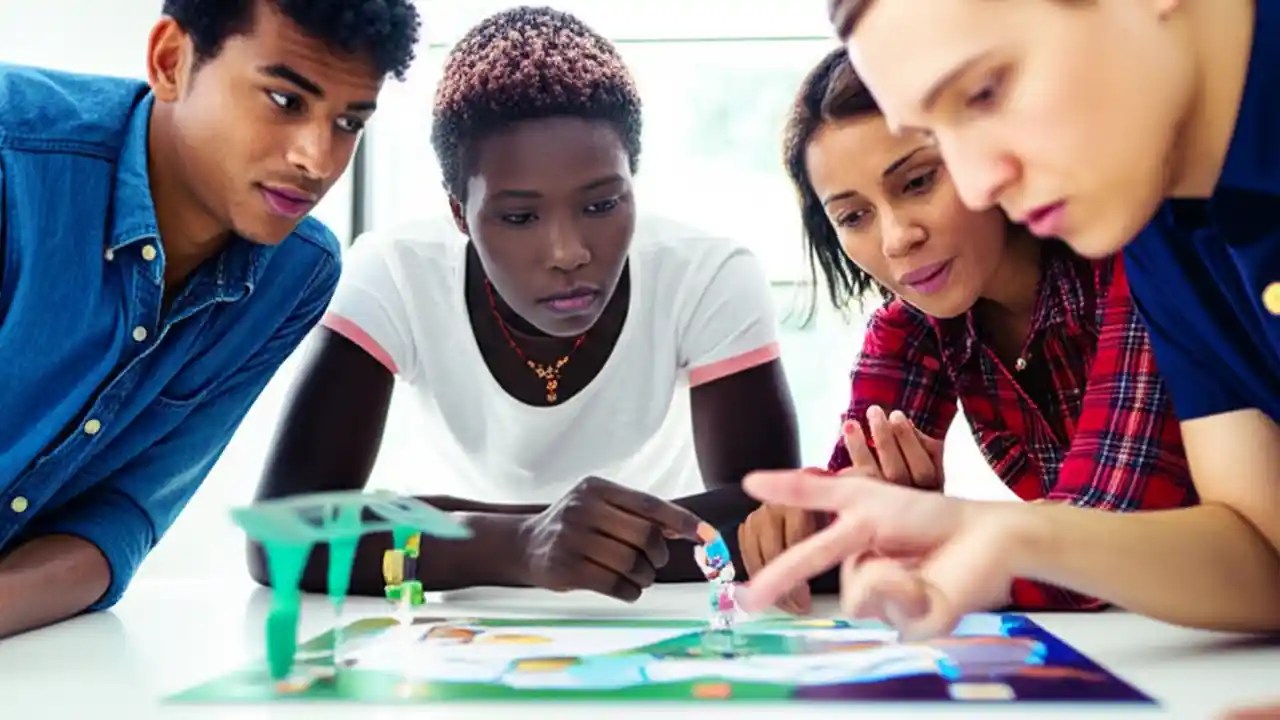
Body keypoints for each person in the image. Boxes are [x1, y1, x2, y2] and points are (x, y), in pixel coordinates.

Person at [741, 0, 1280, 647]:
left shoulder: (1128, 249)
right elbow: (1263, 553)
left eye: (985, 92)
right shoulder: (1164, 233)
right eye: (852, 216)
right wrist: (998, 534)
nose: (977, 183)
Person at [252, 6, 800, 603]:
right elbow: (283, 535)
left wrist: (504, 534)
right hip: (460, 627)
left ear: (633, 182)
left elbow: (772, 518)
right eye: (519, 217)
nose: (568, 252)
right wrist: (519, 543)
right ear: (460, 212)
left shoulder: (708, 275)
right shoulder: (395, 273)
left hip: (664, 615)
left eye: (601, 205)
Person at [0, 0, 420, 637]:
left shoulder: (296, 274)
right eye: (285, 101)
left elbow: (121, 516)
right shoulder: (14, 158)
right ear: (171, 61)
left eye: (349, 122)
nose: (318, 159)